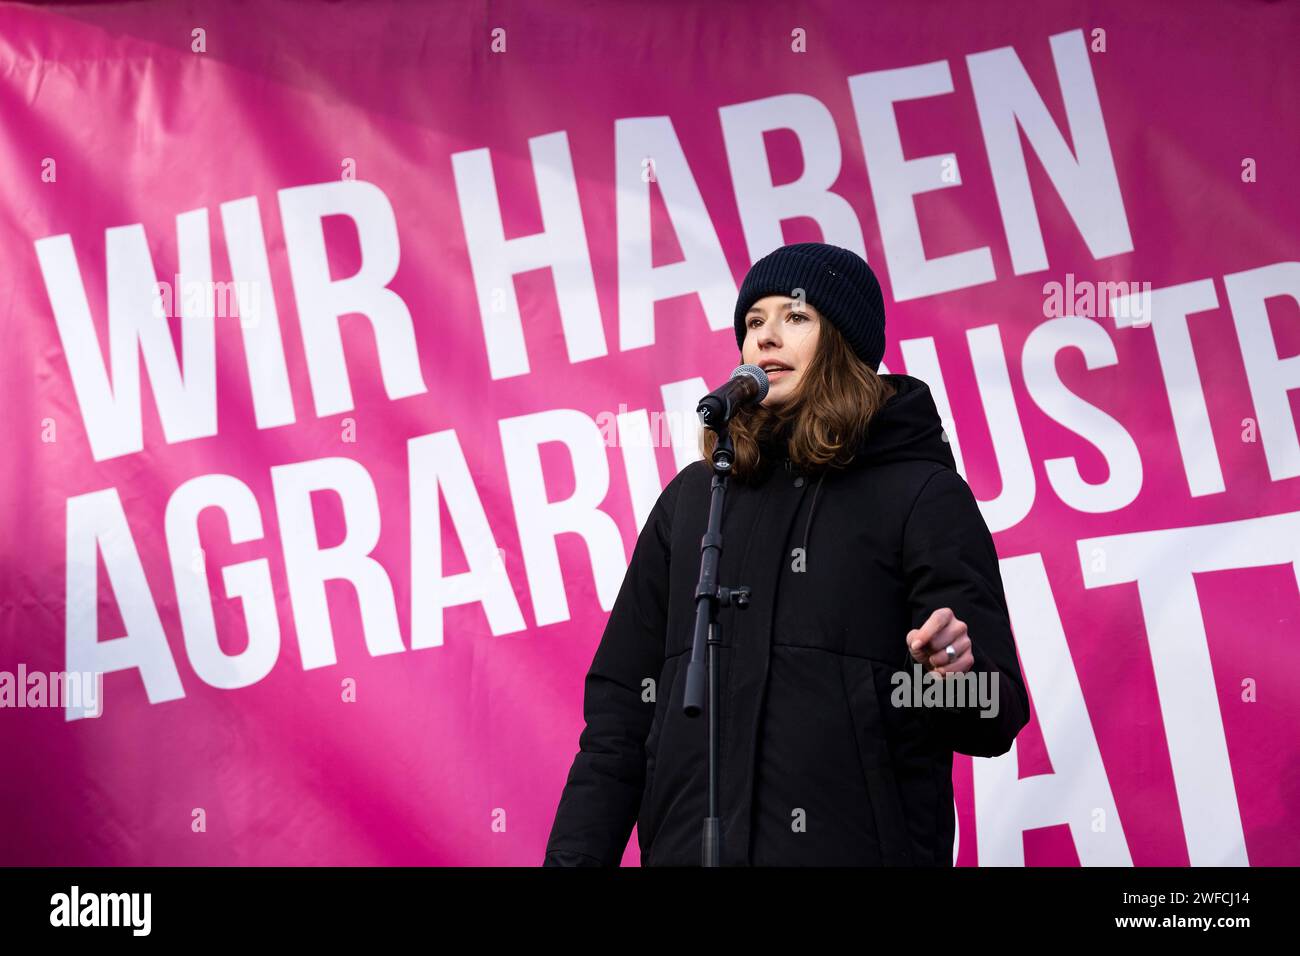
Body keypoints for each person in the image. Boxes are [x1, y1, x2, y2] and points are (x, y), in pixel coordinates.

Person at [543, 242, 1029, 866]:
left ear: (845, 345)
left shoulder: (920, 494)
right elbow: (618, 722)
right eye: (753, 322)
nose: (766, 337)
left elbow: (994, 715)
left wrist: (952, 676)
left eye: (795, 317)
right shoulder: (693, 502)